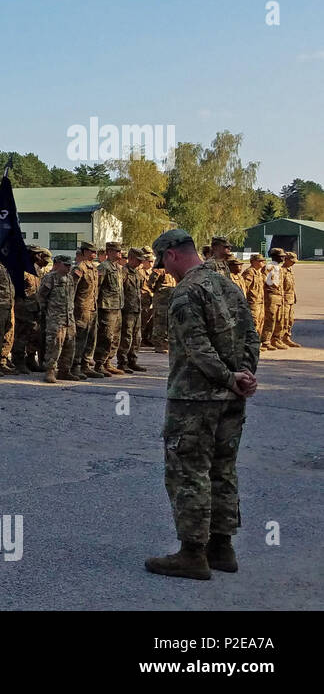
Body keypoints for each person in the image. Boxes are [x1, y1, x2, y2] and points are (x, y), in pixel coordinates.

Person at [145, 229, 259, 580]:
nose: (164, 268)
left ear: (171, 255)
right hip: (231, 399)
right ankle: (222, 548)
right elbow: (251, 335)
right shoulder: (228, 285)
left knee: (189, 472)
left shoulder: (186, 293)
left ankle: (193, 553)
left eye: (162, 261)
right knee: (222, 470)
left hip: (195, 400)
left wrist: (228, 378)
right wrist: (244, 375)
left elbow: (197, 349)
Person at [37, 255, 78, 382]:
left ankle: (65, 371)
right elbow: (41, 297)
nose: (68, 267)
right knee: (54, 345)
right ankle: (50, 370)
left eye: (69, 265)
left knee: (69, 345)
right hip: (55, 318)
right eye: (66, 265)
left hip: (69, 317)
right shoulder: (50, 278)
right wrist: (47, 312)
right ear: (58, 264)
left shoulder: (70, 278)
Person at [13, 247, 50, 374]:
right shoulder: (21, 269)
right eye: (41, 256)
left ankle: (30, 359)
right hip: (23, 309)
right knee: (21, 336)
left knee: (34, 336)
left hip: (35, 307)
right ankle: (18, 361)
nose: (44, 259)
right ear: (35, 255)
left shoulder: (37, 270)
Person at [93, 242, 126, 376]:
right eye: (117, 251)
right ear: (110, 252)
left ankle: (108, 362)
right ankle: (99, 363)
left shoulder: (118, 268)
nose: (120, 254)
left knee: (115, 337)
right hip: (106, 307)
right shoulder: (104, 267)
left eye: (120, 251)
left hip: (117, 306)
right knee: (105, 336)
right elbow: (97, 287)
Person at [117, 247, 149, 373]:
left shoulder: (137, 273)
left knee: (137, 337)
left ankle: (132, 360)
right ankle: (122, 362)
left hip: (136, 308)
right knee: (126, 336)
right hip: (127, 310)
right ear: (130, 259)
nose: (140, 263)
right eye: (138, 260)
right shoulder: (123, 272)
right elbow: (120, 291)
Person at [72, 242, 101, 378]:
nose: (94, 254)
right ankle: (75, 366)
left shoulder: (94, 268)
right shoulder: (79, 268)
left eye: (95, 252)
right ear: (84, 252)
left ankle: (86, 365)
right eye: (91, 251)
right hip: (81, 308)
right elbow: (72, 289)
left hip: (92, 308)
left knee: (91, 338)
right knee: (80, 338)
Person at [273, 252, 300, 348]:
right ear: (286, 260)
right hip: (284, 299)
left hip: (290, 298)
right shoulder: (281, 270)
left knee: (290, 320)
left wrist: (294, 296)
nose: (293, 263)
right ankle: (277, 339)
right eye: (292, 261)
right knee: (282, 320)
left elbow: (291, 285)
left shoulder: (290, 270)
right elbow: (279, 286)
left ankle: (286, 337)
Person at [150, 262, 178, 352]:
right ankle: (159, 344)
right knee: (160, 322)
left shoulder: (173, 268)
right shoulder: (159, 269)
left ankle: (166, 343)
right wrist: (158, 292)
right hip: (161, 301)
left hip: (170, 300)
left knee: (168, 322)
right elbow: (150, 284)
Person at [262, 248, 286, 351]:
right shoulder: (269, 267)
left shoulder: (278, 267)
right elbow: (264, 282)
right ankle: (266, 341)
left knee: (279, 319)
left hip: (279, 296)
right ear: (275, 256)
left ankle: (276, 339)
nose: (283, 257)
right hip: (271, 296)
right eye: (281, 256)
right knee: (270, 319)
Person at [240, 254, 266, 344]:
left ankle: (257, 342)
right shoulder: (249, 272)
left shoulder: (259, 273)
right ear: (254, 262)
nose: (263, 263)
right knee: (253, 323)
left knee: (260, 322)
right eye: (260, 261)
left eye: (263, 261)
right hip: (253, 303)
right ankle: (250, 343)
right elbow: (244, 288)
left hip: (260, 302)